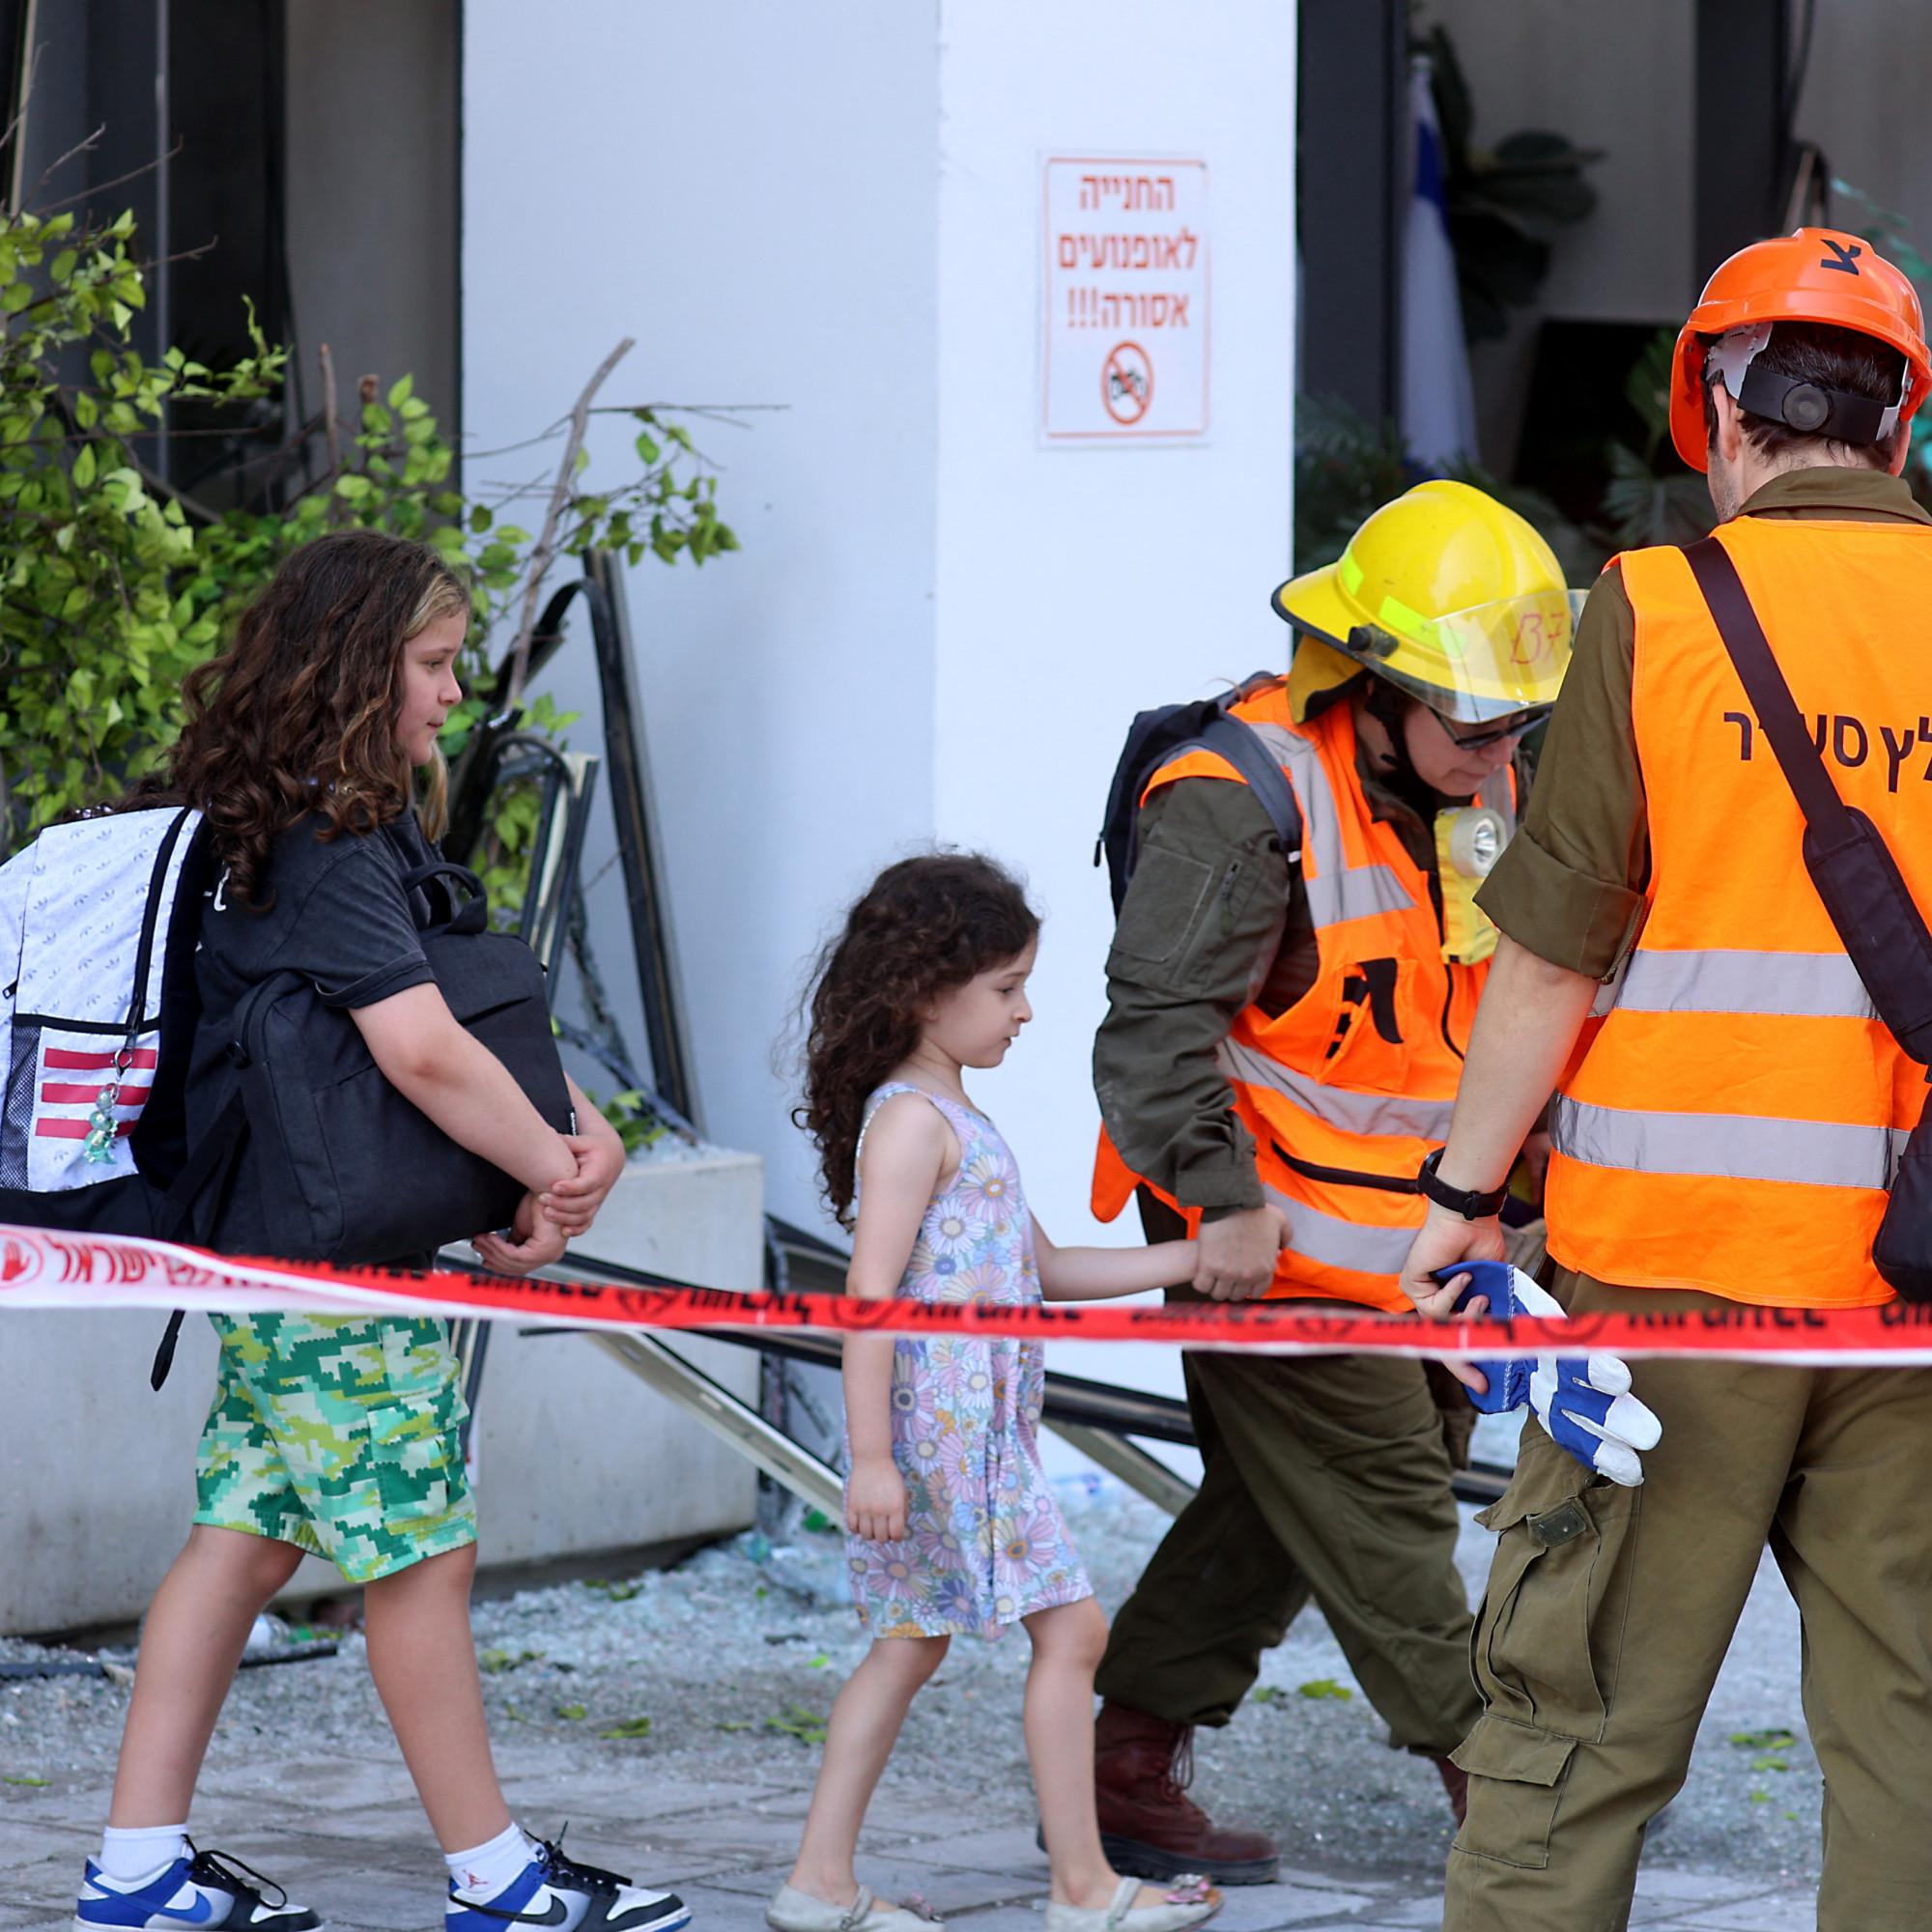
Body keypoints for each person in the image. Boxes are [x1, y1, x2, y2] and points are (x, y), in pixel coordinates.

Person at [1398, 229, 1932, 1932]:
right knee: (1912, 1738)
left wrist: (1462, 1204)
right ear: (1901, 424)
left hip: (1669, 1294)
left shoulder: (1652, 611)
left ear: (1715, 404)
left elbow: (1549, 958)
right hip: (1914, 1294)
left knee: (1581, 1724)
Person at [74, 530, 683, 1932]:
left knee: (244, 1537)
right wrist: (557, 1174)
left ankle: (135, 1868)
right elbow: (419, 1050)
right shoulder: (334, 839)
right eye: (429, 663)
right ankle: (496, 1878)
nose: (449, 695)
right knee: (421, 1556)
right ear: (355, 667)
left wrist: (569, 1136)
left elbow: (451, 1004)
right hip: (330, 1276)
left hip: (273, 1259)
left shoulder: (300, 822)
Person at [1088, 482, 1576, 1881]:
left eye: (1515, 727)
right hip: (1274, 1243)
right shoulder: (1240, 796)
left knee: (1286, 1502)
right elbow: (1154, 1024)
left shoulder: (1468, 786)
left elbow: (1476, 1008)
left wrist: (1515, 1197)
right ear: (1378, 680)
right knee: (1390, 1516)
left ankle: (1124, 1754)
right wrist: (1219, 1202)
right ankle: (1508, 1792)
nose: (1500, 757)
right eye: (1476, 726)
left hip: (1418, 1243)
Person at [773, 854, 1247, 1932]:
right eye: (1005, 986)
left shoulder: (955, 1116)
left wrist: (1185, 1260)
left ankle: (818, 1881)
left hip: (974, 1436)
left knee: (909, 1640)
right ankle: (1082, 1888)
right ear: (920, 988)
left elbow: (1047, 1270)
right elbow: (869, 1297)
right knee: (1073, 1633)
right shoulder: (912, 1125)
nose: (1025, 1010)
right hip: (944, 1441)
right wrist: (873, 1457)